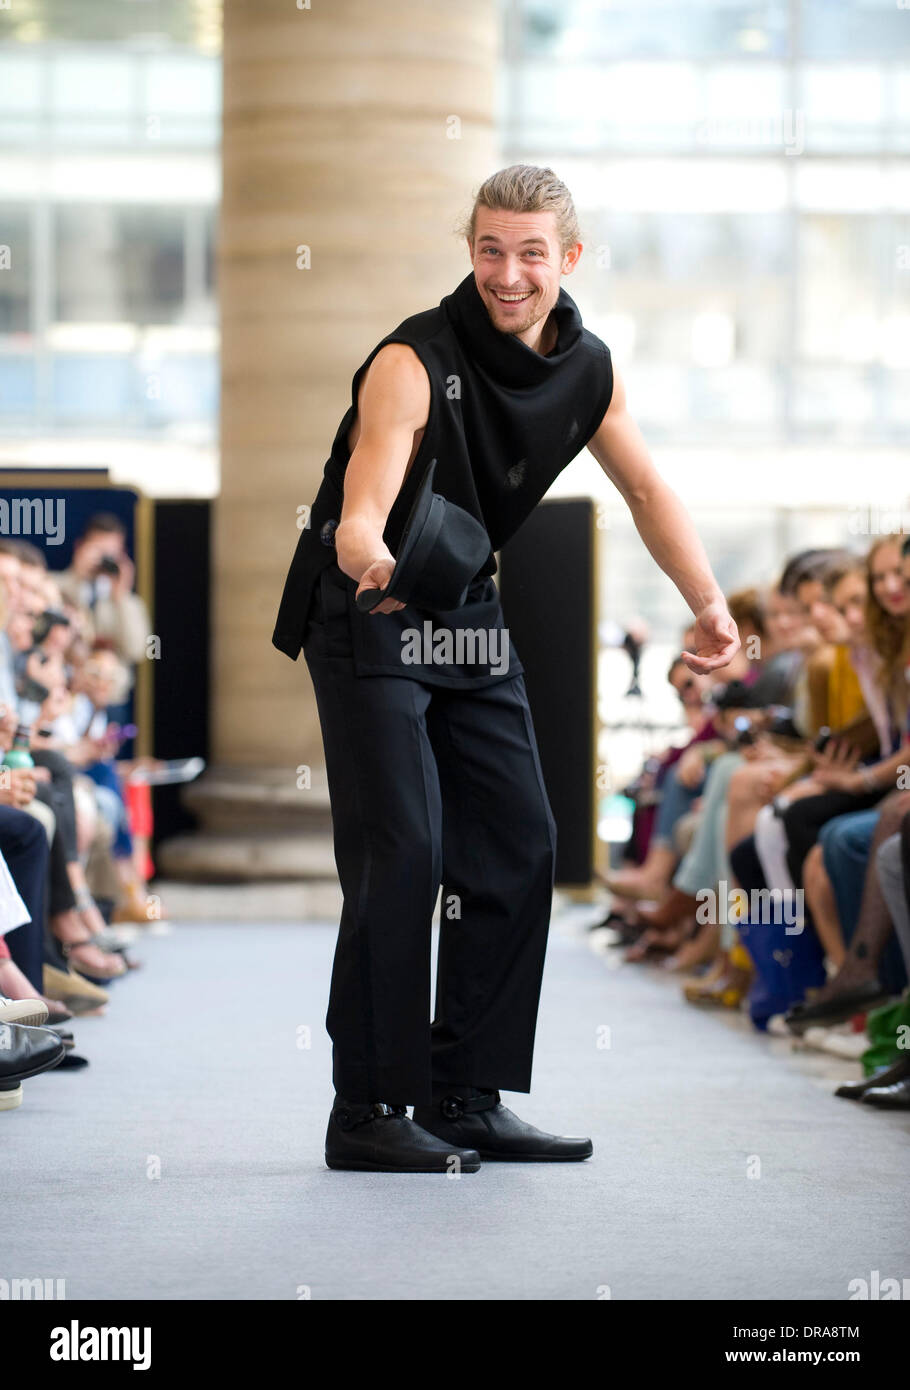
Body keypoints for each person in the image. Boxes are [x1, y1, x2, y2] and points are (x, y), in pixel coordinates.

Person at [272, 164, 740, 1173]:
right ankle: (367, 1108)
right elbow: (359, 512)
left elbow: (646, 489)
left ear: (569, 257)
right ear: (470, 251)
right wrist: (374, 560)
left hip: (463, 601)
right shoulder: (410, 359)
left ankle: (464, 1093)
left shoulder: (589, 368)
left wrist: (708, 602)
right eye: (490, 249)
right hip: (366, 603)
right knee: (405, 848)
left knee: (521, 840)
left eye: (531, 252)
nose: (509, 273)